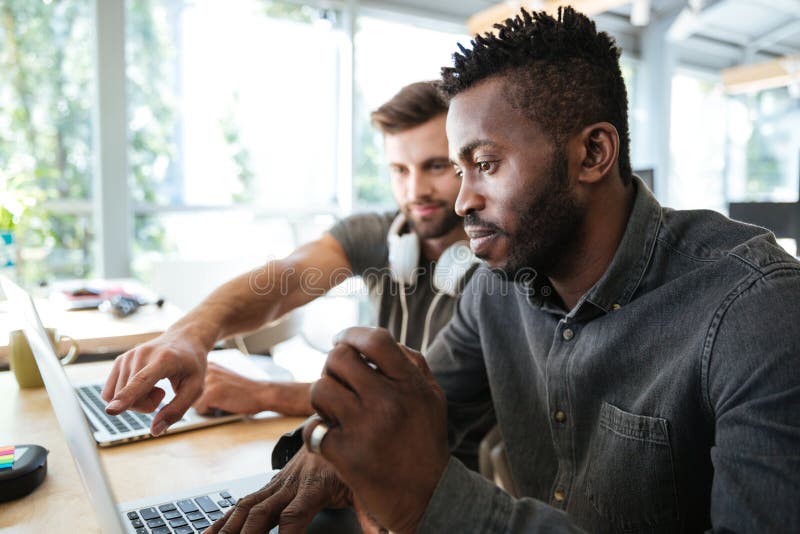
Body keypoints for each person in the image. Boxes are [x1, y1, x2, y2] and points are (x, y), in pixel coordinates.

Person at [206, 7, 800, 534]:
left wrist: (428, 501)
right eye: (460, 170)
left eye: (486, 164)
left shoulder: (757, 312)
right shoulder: (497, 288)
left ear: (593, 154)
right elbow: (414, 411)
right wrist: (333, 450)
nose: (463, 200)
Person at [101, 80, 477, 437]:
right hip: (372, 448)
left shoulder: (499, 266)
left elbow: (420, 402)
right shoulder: (381, 233)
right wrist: (190, 335)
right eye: (399, 170)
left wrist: (265, 394)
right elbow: (288, 278)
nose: (415, 191)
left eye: (436, 166)